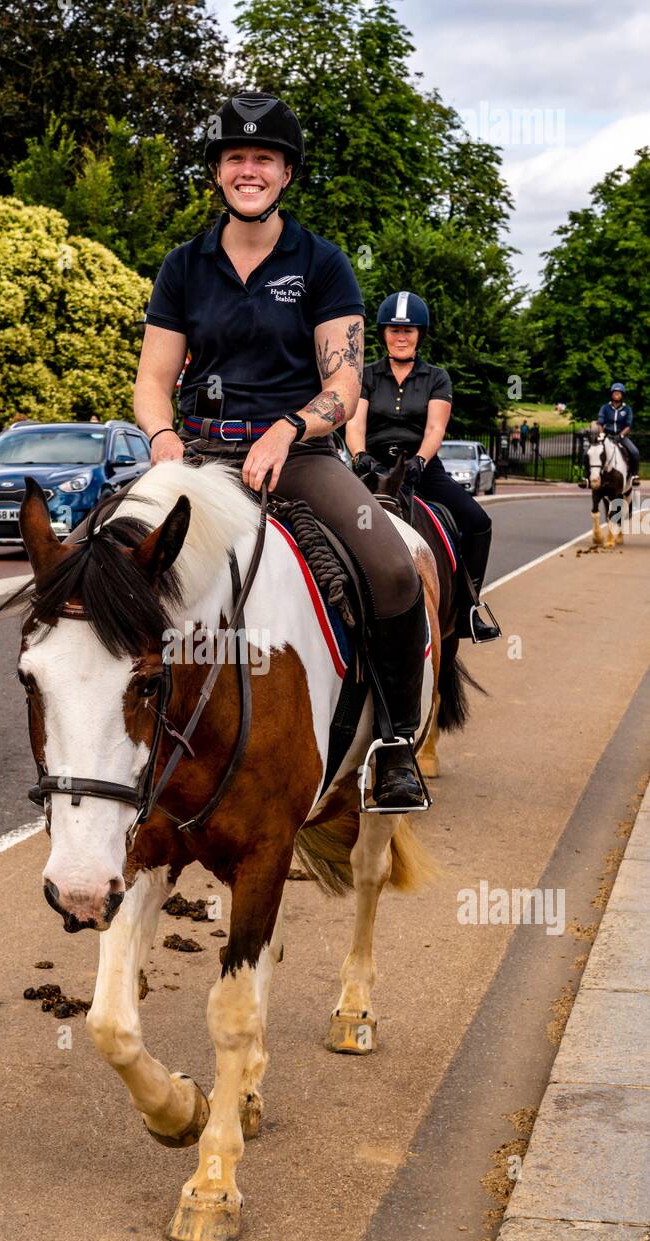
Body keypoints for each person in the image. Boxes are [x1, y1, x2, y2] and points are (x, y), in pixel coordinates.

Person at [134, 90, 428, 810]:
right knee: (94, 565)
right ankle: (114, 753)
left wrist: (290, 426)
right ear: (216, 171)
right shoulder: (183, 264)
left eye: (263, 158)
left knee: (390, 568)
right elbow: (151, 379)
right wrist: (163, 436)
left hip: (297, 455)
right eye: (235, 157)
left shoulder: (321, 263)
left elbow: (345, 381)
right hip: (199, 457)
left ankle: (392, 744)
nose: (248, 169)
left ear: (286, 173)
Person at [346, 291, 499, 644]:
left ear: (420, 335)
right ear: (383, 333)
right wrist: (359, 455)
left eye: (409, 330)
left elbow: (435, 429)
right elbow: (355, 425)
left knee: (478, 522)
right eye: (394, 330)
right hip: (373, 468)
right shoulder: (365, 375)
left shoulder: (437, 377)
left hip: (420, 467)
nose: (401, 336)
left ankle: (468, 609)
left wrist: (419, 461)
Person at [598, 382, 639, 481]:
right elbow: (600, 423)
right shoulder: (605, 408)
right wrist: (601, 434)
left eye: (619, 393)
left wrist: (620, 436)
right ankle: (587, 477)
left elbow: (628, 426)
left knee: (635, 452)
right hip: (607, 436)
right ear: (611, 394)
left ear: (622, 395)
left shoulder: (627, 409)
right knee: (590, 451)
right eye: (614, 392)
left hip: (621, 436)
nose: (616, 394)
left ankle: (634, 475)